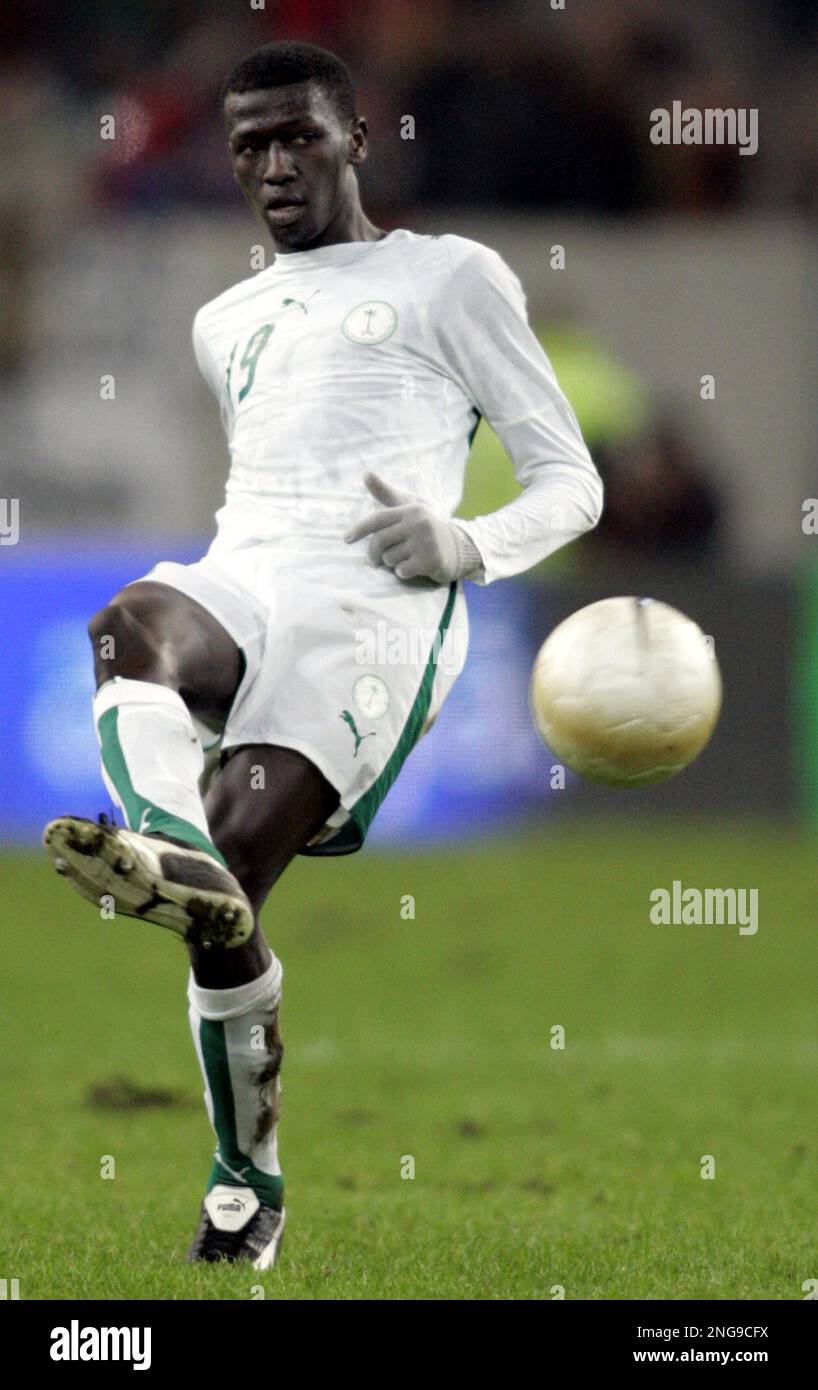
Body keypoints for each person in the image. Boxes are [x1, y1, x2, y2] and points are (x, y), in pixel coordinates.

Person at [44, 41, 602, 1269]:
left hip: (375, 613)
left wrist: (462, 537)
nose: (274, 164)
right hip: (244, 570)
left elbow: (572, 483)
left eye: (299, 135)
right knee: (127, 623)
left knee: (227, 904)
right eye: (249, 145)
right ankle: (160, 842)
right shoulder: (221, 319)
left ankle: (247, 1177)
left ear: (355, 137)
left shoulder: (451, 278)